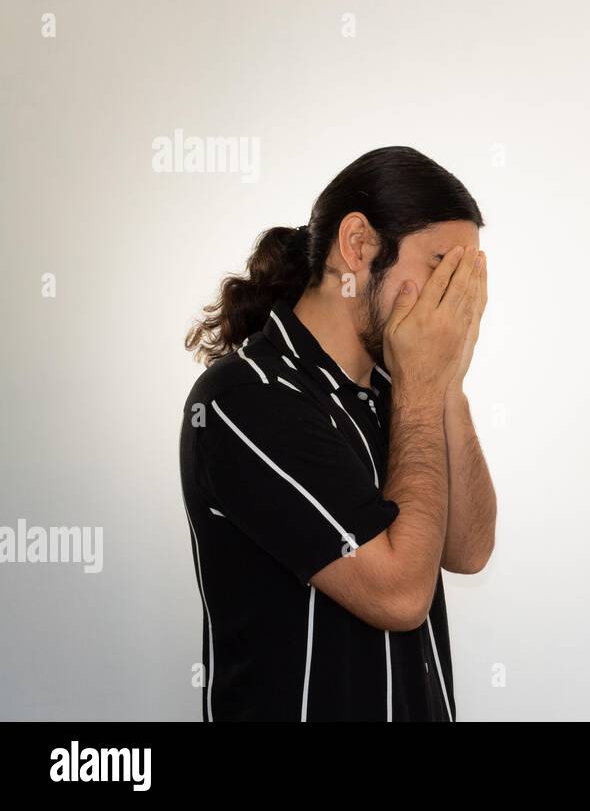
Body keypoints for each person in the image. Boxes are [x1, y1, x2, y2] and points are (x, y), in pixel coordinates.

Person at [180, 145, 494, 721]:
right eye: (440, 267)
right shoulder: (247, 398)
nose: (454, 303)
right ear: (357, 245)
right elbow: (400, 596)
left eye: (466, 282)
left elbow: (468, 549)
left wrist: (446, 382)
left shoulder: (398, 390)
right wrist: (424, 388)